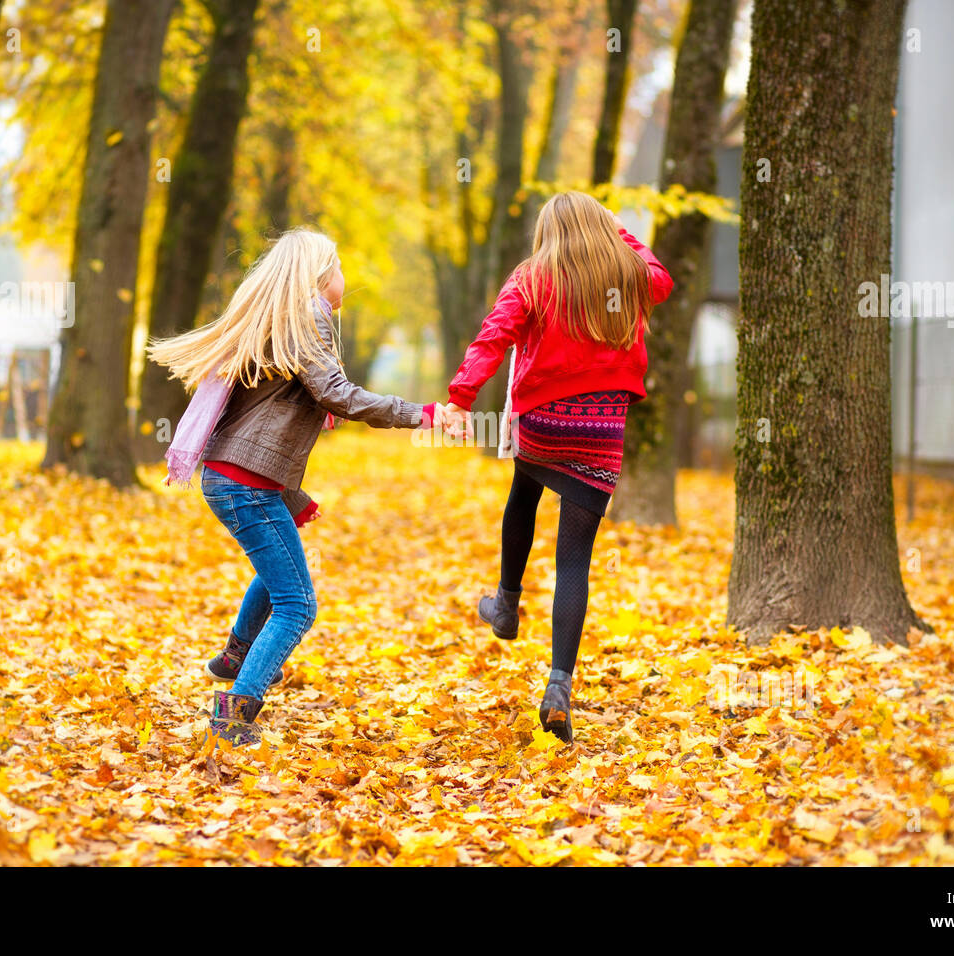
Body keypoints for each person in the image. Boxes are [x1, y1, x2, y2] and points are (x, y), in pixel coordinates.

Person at [149, 227, 439, 749]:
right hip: (246, 482)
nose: (344, 280)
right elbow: (338, 395)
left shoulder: (282, 319)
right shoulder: (309, 316)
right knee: (298, 604)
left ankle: (237, 652)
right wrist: (419, 414)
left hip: (237, 476)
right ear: (321, 274)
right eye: (339, 268)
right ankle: (233, 713)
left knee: (279, 572)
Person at [440, 192, 673, 743]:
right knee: (575, 562)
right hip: (602, 429)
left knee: (524, 488)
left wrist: (460, 398)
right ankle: (559, 686)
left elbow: (494, 336)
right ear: (603, 228)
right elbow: (661, 278)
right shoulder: (625, 273)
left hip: (542, 422)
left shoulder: (534, 276)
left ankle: (506, 603)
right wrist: (624, 234)